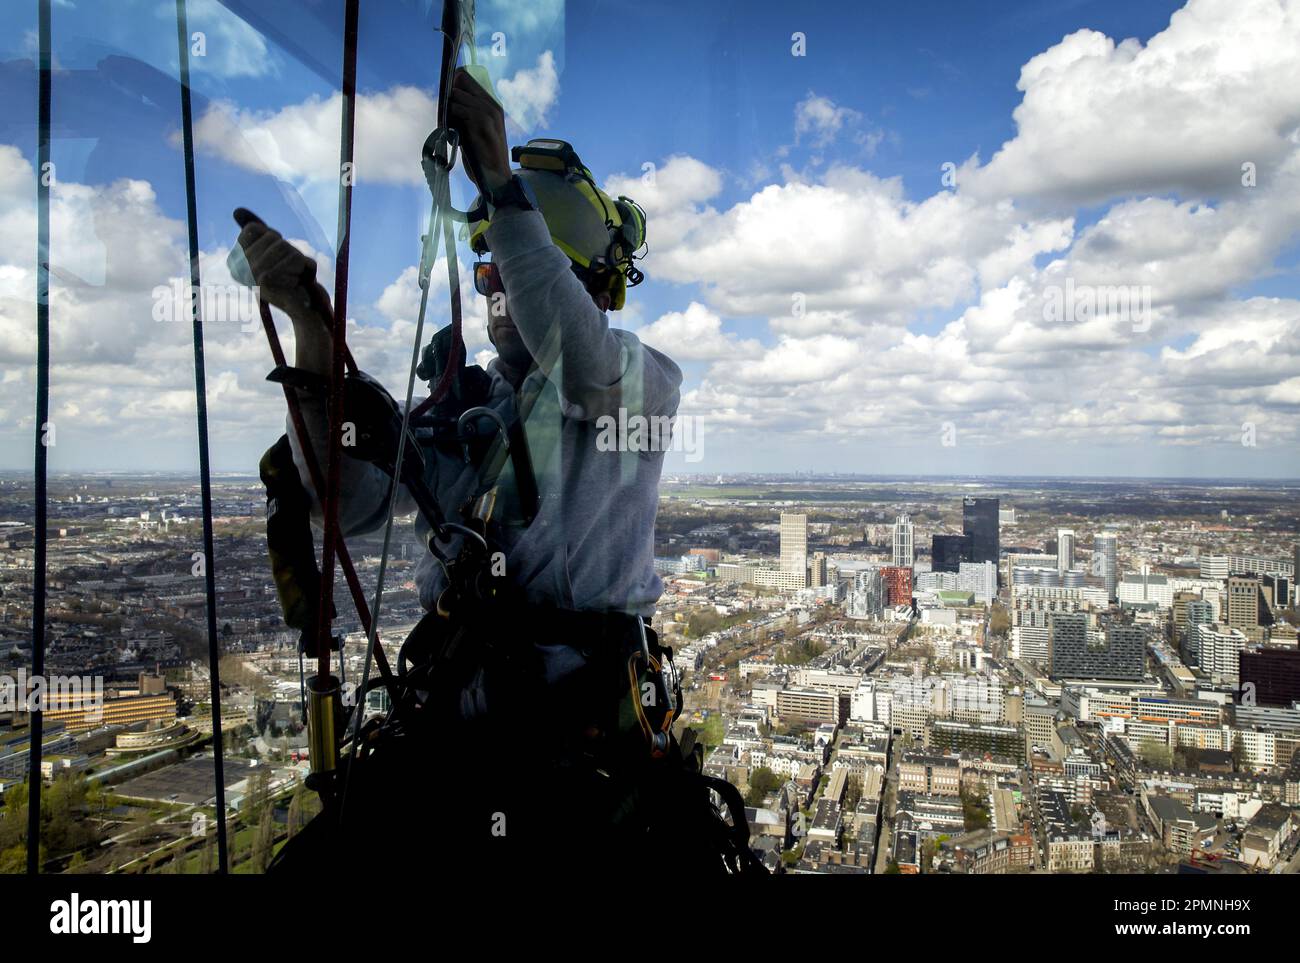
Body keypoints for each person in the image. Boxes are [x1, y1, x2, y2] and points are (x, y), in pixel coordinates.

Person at [229, 70, 753, 873]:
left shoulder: (638, 383)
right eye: (486, 276)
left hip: (580, 770)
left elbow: (575, 359)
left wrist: (504, 188)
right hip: (453, 751)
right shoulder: (469, 412)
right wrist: (310, 326)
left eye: (510, 271)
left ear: (571, 282)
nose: (494, 290)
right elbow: (352, 503)